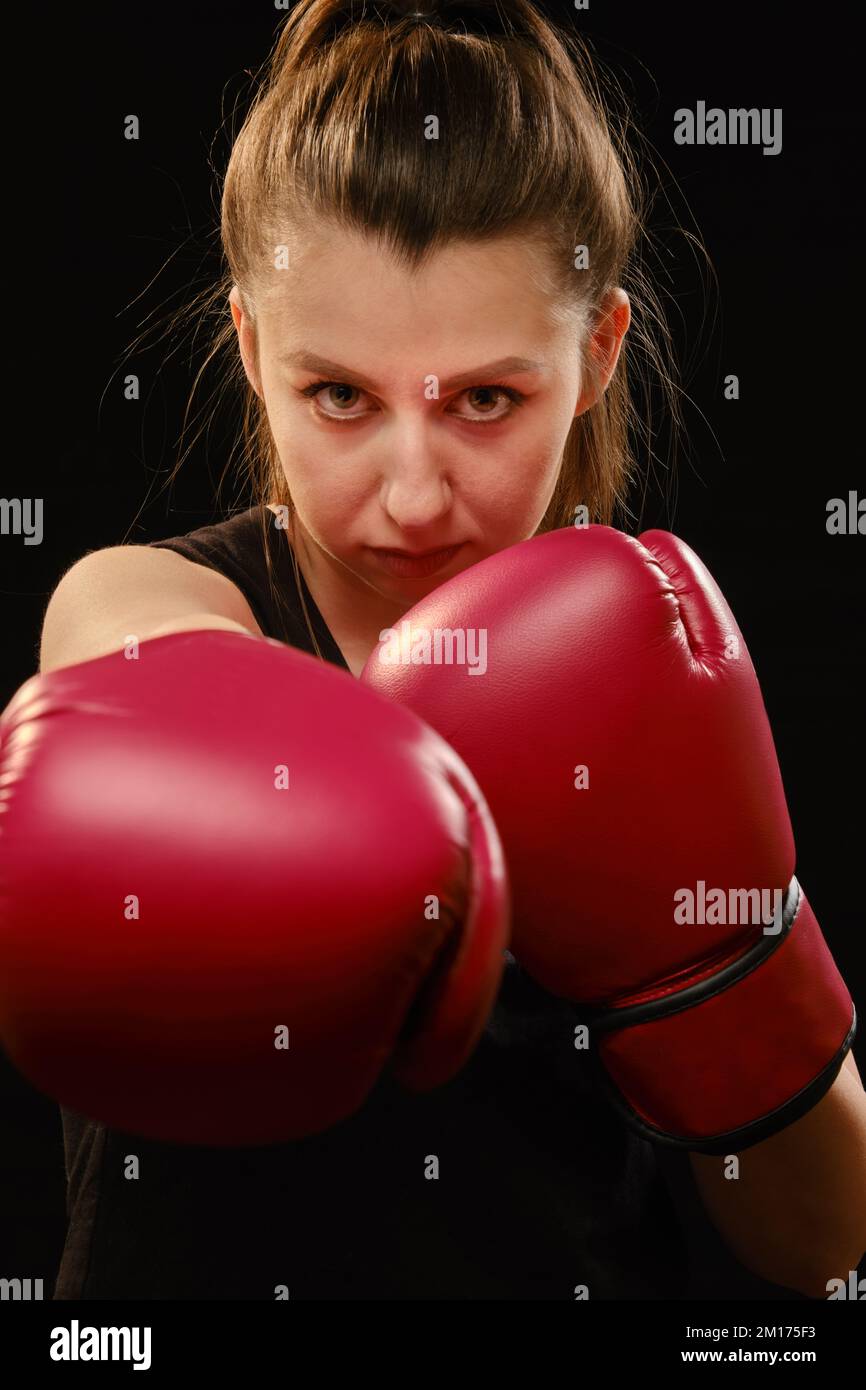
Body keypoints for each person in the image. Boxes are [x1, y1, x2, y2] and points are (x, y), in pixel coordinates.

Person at [7, 0, 864, 1299]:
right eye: (338, 394)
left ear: (593, 357)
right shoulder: (147, 597)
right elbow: (121, 646)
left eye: (483, 399)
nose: (412, 494)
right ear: (250, 349)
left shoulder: (653, 670)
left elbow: (822, 1247)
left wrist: (713, 971)